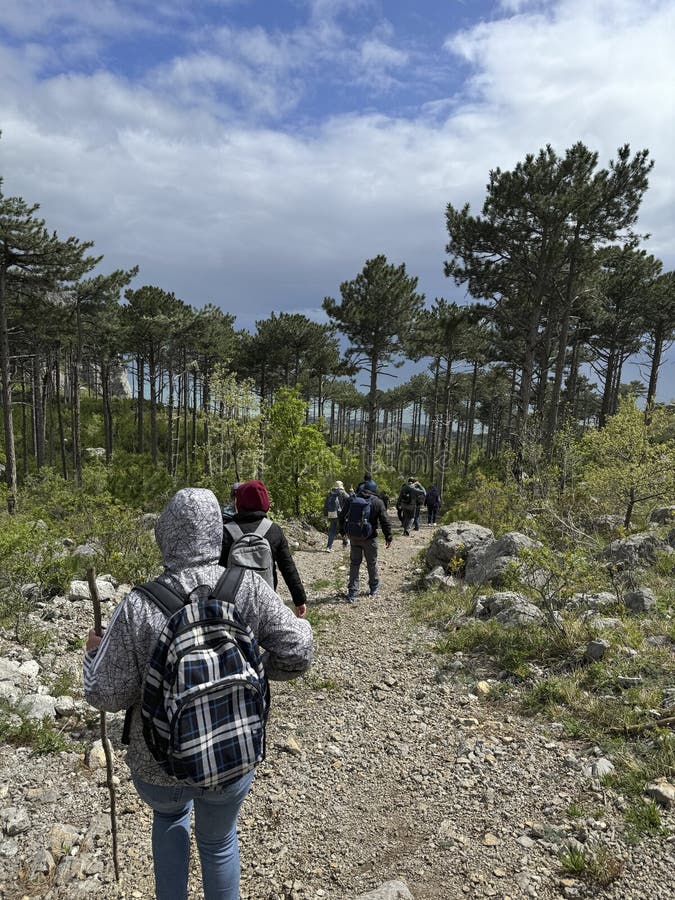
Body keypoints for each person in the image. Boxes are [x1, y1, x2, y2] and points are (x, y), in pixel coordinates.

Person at [83, 487, 313, 900]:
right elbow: (299, 651)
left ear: (164, 535)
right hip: (233, 753)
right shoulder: (248, 588)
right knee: (219, 842)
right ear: (215, 532)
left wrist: (93, 656)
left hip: (159, 763)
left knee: (170, 822)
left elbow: (105, 694)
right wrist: (260, 670)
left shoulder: (138, 604)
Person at [220, 480, 307, 618]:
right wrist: (299, 600)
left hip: (232, 602)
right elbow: (288, 567)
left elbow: (217, 569)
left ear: (239, 503)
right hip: (266, 600)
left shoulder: (225, 531)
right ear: (265, 502)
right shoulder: (274, 530)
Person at [338, 479, 392, 602]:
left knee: (354, 564)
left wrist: (342, 531)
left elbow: (342, 516)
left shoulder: (352, 499)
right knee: (371, 563)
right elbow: (385, 520)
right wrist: (388, 536)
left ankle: (352, 592)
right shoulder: (378, 502)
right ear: (374, 489)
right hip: (370, 537)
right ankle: (373, 587)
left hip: (354, 537)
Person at [323, 480, 349, 551]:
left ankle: (328, 547)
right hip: (340, 514)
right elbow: (350, 499)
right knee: (343, 529)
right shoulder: (342, 492)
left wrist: (326, 513)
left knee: (332, 530)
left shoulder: (330, 493)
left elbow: (326, 504)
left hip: (331, 514)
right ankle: (345, 542)